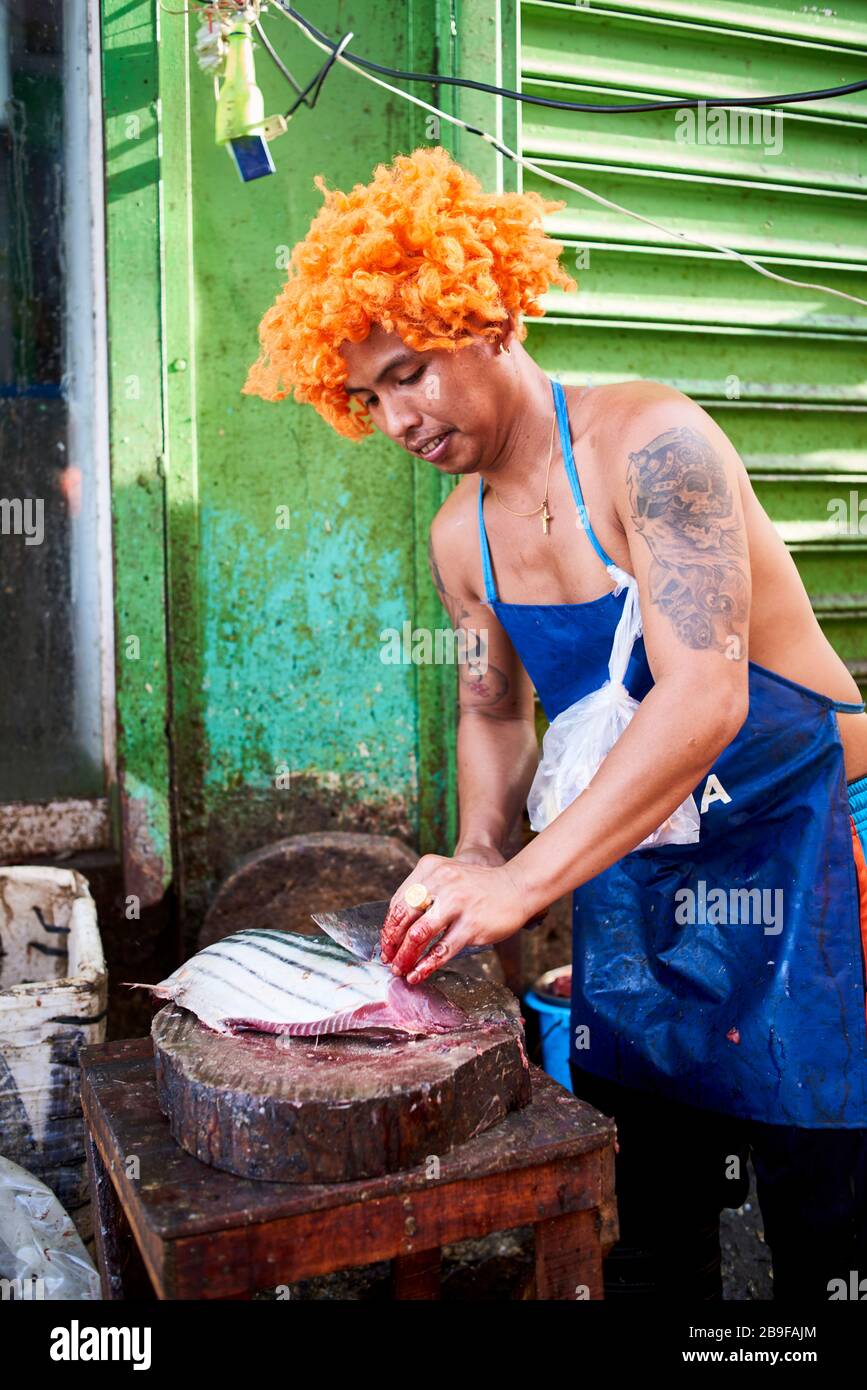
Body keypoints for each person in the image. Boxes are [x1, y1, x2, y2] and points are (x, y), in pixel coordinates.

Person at [243, 145, 867, 1300]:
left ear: (480, 314)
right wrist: (483, 845)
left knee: (829, 1217)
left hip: (817, 848)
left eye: (411, 370)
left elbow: (704, 694)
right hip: (644, 862)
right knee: (657, 1212)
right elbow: (493, 711)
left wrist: (525, 882)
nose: (398, 418)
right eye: (369, 396)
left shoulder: (653, 447)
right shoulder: (458, 542)